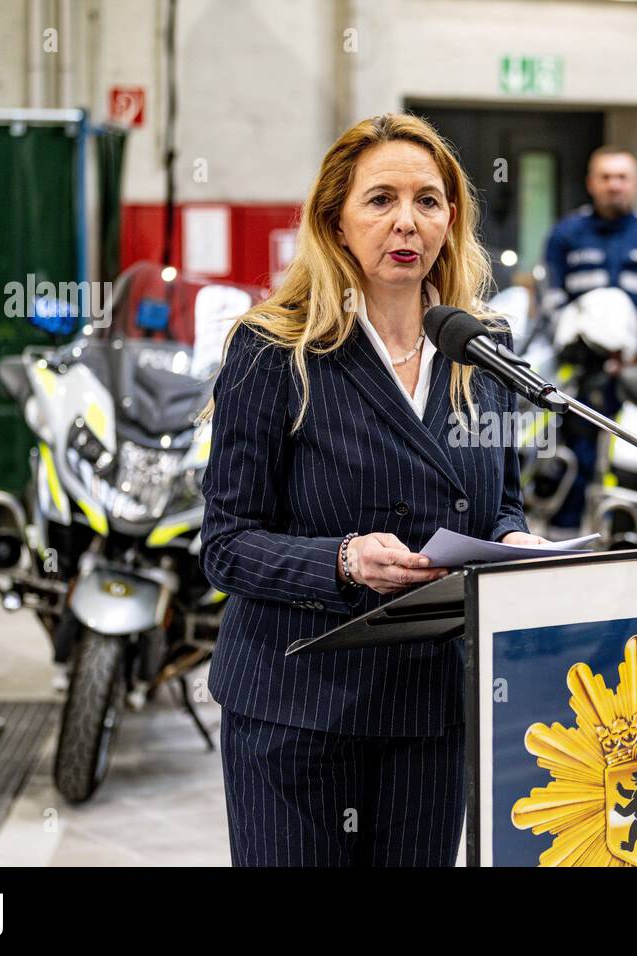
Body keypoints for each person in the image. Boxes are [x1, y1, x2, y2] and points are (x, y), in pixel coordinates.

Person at [199, 113, 546, 866]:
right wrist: (343, 561)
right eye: (381, 199)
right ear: (335, 220)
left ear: (452, 220)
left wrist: (515, 540)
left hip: (427, 706)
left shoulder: (482, 349)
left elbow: (502, 500)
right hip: (298, 705)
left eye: (428, 200)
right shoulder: (275, 348)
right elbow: (225, 545)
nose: (407, 222)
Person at [541, 146, 637, 531]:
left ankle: (626, 542)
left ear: (634, 184)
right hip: (579, 376)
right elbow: (553, 302)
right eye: (605, 177)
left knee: (636, 460)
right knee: (573, 459)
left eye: (622, 178)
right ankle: (561, 551)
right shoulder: (566, 235)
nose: (614, 186)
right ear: (591, 184)